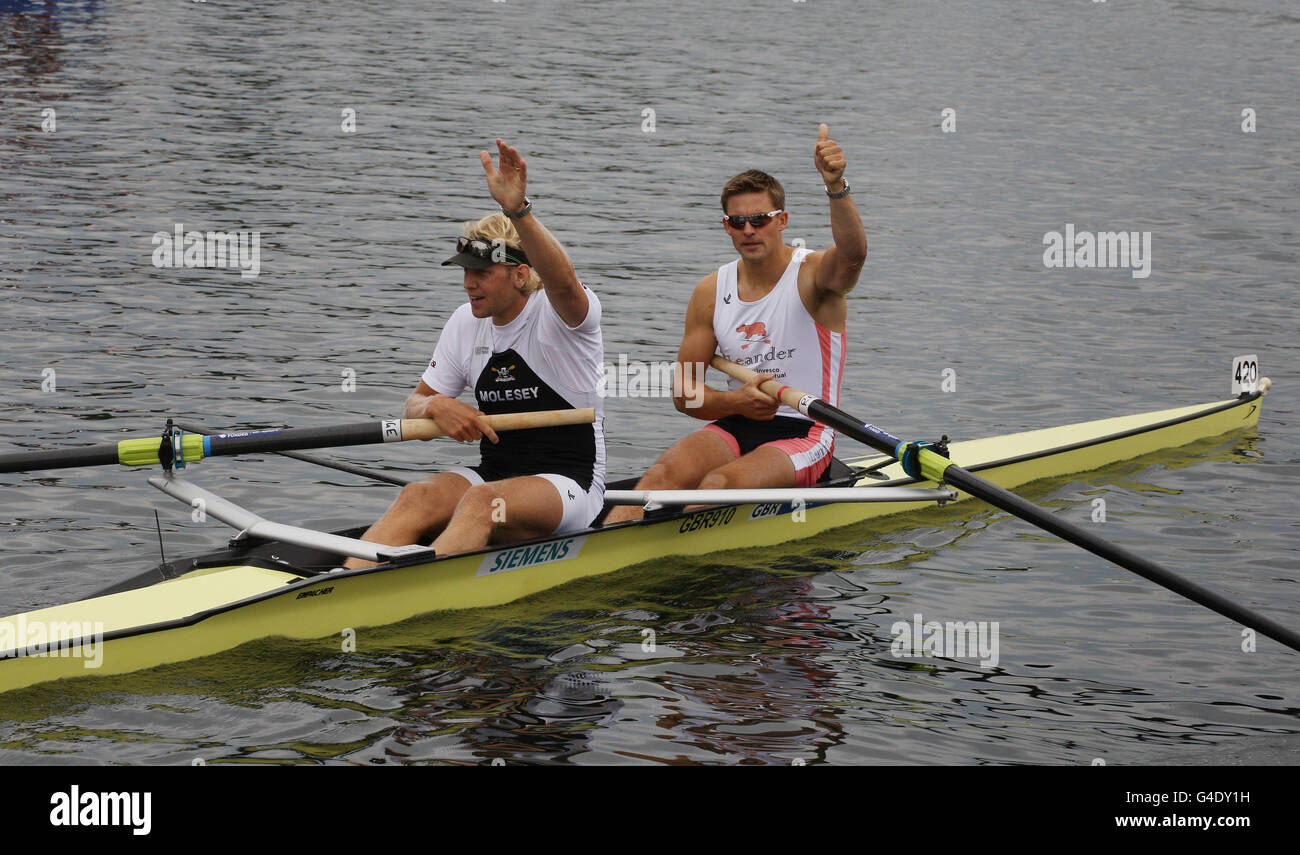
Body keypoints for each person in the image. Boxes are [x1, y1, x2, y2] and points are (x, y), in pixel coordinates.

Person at [344, 139, 604, 567]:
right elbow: (413, 407)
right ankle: (341, 582)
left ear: (520, 275)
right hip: (495, 475)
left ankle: (408, 591)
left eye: (482, 273)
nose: (469, 284)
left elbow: (562, 279)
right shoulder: (465, 322)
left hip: (569, 484)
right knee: (417, 496)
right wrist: (437, 405)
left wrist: (519, 212)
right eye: (466, 272)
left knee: (483, 502)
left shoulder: (560, 314)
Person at [605, 124, 865, 524]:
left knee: (717, 486)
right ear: (725, 226)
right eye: (737, 222)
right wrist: (731, 403)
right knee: (658, 479)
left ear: (783, 221)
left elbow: (853, 256)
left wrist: (836, 186)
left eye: (760, 219)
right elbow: (684, 393)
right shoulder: (711, 291)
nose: (748, 230)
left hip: (806, 431)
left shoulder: (813, 275)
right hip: (736, 422)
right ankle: (607, 548)